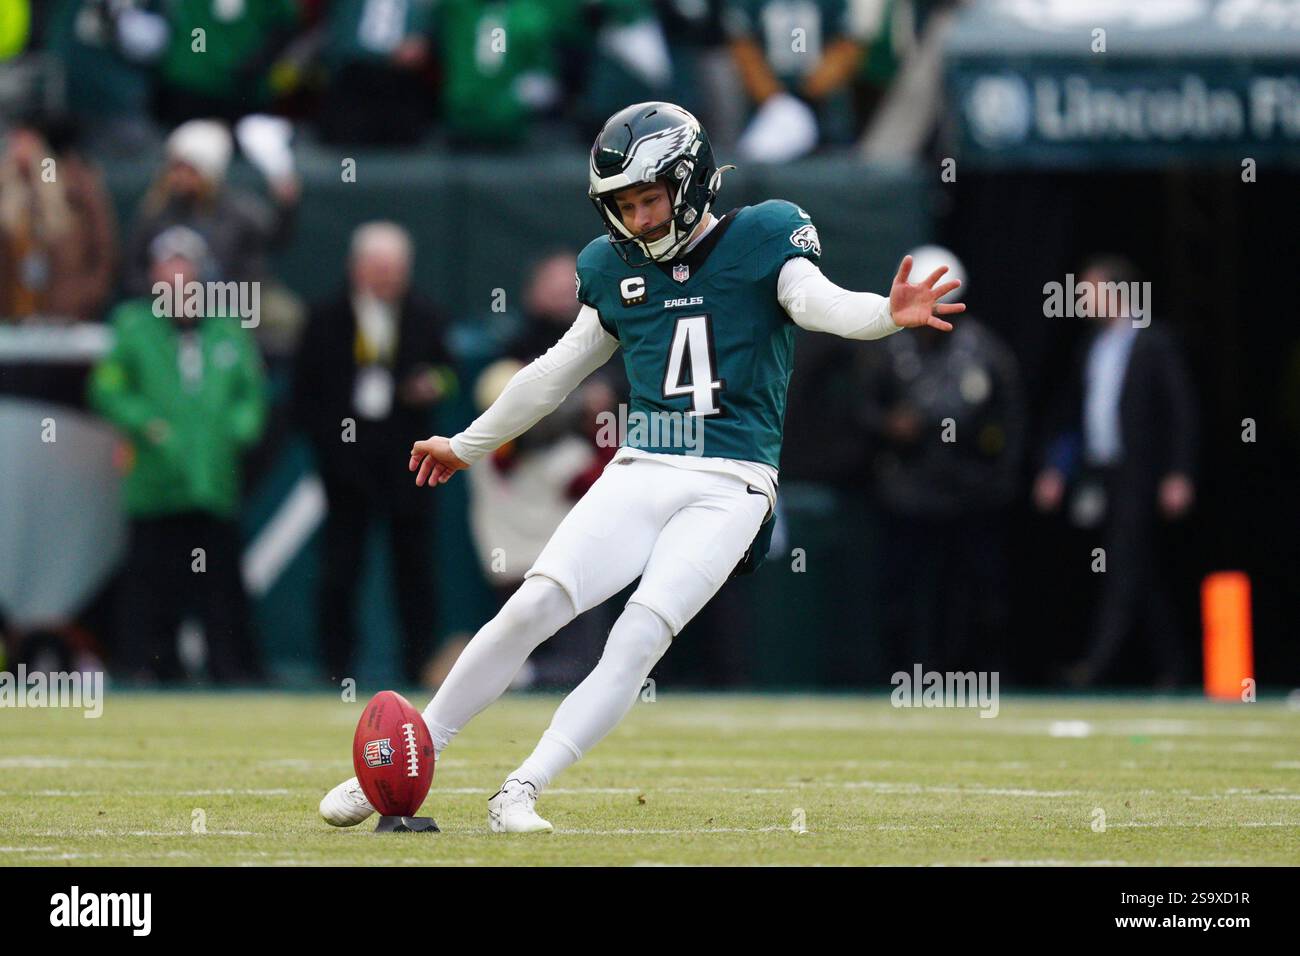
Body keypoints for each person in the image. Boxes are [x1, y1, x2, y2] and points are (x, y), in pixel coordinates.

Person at [319, 101, 964, 832]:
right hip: (641, 465)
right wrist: (464, 444)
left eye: (649, 198)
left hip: (731, 482)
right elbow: (552, 373)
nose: (637, 218)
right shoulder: (614, 268)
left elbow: (820, 304)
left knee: (639, 634)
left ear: (688, 183)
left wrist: (886, 312)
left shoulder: (762, 236)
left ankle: (521, 788)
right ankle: (409, 758)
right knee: (533, 604)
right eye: (622, 205)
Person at [88, 226, 268, 683]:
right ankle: (148, 668)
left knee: (222, 586)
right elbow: (107, 387)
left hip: (212, 482)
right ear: (152, 278)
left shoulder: (227, 330)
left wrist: (233, 431)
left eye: (185, 272)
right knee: (150, 583)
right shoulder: (132, 326)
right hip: (156, 483)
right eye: (168, 273)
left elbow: (251, 396)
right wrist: (145, 423)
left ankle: (230, 670)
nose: (177, 283)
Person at [292, 222, 457, 685]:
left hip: (410, 463)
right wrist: (333, 452)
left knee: (415, 571)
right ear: (355, 267)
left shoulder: (427, 315)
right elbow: (304, 398)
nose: (385, 278)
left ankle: (418, 668)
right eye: (376, 268)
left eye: (394, 269)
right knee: (340, 570)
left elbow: (449, 376)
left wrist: (430, 385)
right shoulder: (325, 318)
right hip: (346, 467)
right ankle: (335, 669)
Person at [1032, 255, 1197, 688]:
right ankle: (1173, 665)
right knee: (1134, 570)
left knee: (1123, 567)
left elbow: (1180, 411)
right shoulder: (1090, 346)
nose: (1082, 302)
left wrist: (1178, 472)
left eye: (1090, 292)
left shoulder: (1154, 341)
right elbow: (1071, 413)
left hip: (1140, 472)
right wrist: (1057, 468)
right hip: (1100, 472)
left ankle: (1098, 665)